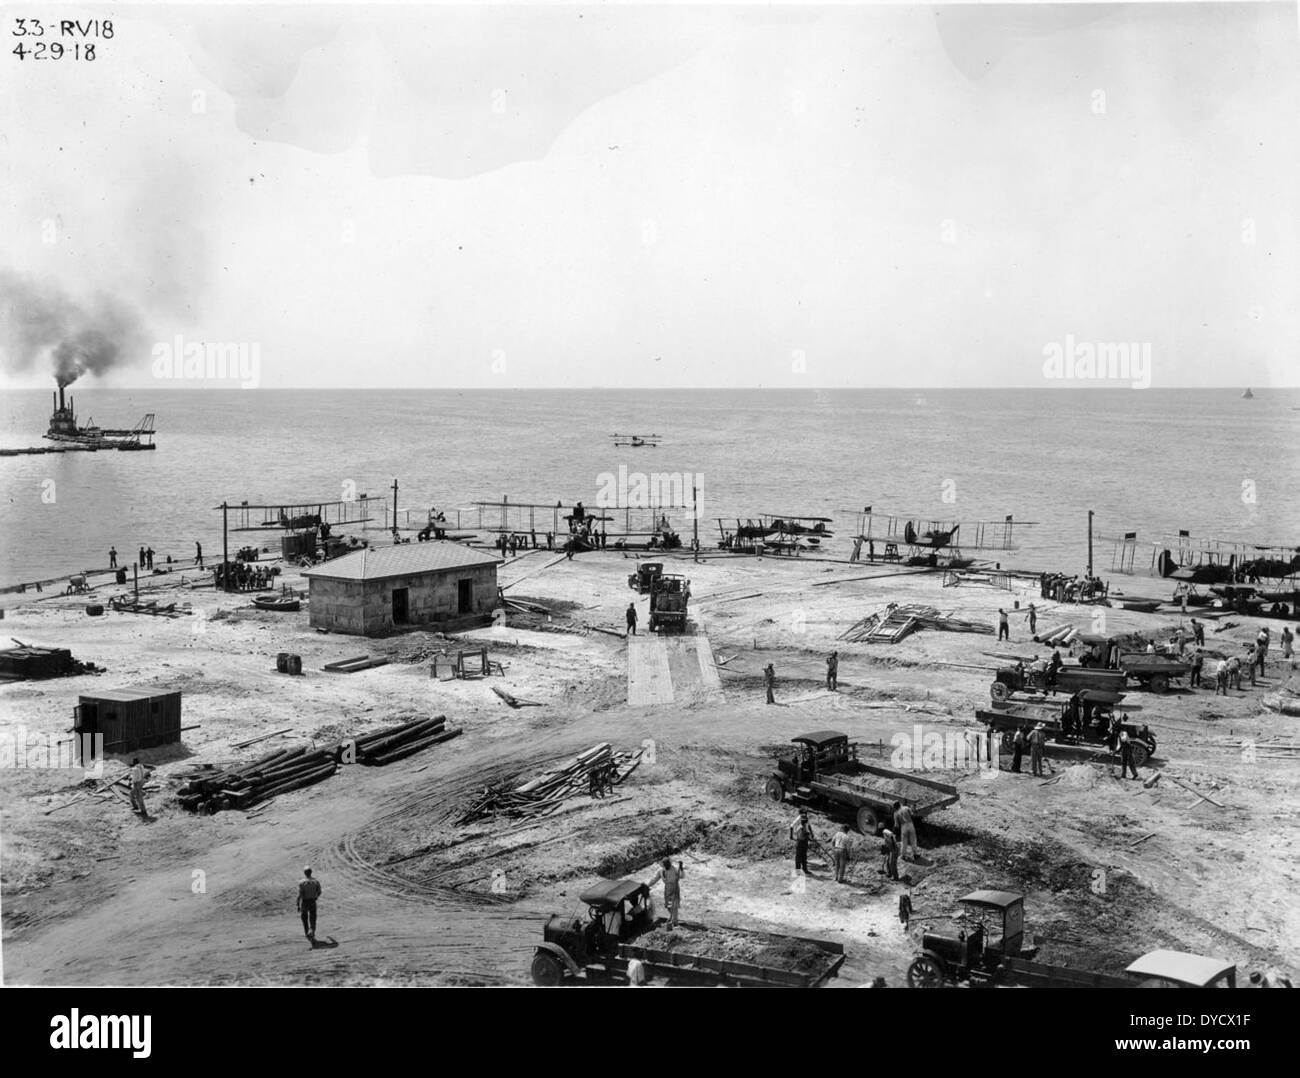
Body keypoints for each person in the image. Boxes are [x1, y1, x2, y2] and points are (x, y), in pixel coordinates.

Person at [647, 858, 684, 926]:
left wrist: (681, 868)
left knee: (674, 905)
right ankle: (672, 917)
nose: (660, 864)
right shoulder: (661, 870)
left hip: (674, 888)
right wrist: (647, 885)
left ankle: (674, 921)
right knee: (668, 905)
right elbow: (654, 879)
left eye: (661, 863)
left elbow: (682, 876)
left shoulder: (674, 869)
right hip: (667, 889)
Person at [297, 866, 322, 941]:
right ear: (311, 872)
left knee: (304, 918)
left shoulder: (301, 882)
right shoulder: (316, 881)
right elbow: (319, 892)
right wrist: (315, 897)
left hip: (304, 902)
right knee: (313, 917)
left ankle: (307, 932)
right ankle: (312, 931)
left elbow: (300, 894)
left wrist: (298, 904)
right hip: (312, 901)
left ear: (305, 873)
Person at [790, 809, 816, 875]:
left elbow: (808, 832)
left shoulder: (806, 825)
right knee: (798, 857)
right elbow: (803, 835)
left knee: (804, 857)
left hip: (804, 842)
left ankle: (805, 870)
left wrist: (810, 837)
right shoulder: (800, 827)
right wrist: (809, 837)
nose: (806, 822)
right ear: (802, 821)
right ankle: (798, 871)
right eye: (804, 821)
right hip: (800, 842)